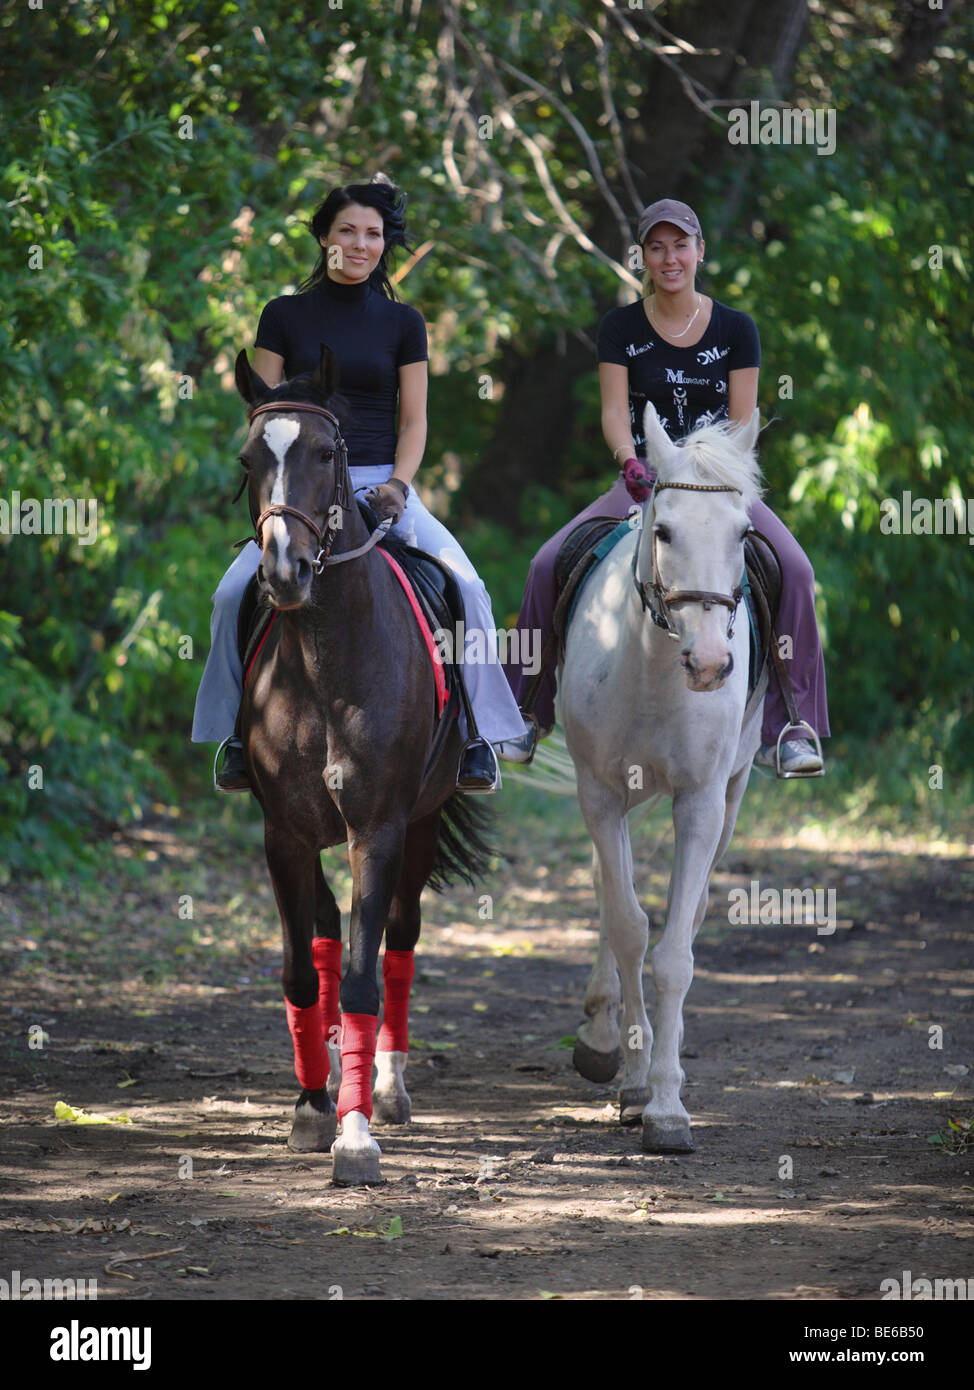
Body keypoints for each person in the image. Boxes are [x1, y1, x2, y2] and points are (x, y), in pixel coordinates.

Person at [192, 176, 525, 791]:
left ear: (383, 244)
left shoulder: (403, 322)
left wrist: (400, 482)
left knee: (468, 585)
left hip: (379, 481)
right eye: (347, 230)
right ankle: (236, 737)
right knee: (228, 595)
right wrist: (281, 488)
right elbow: (261, 412)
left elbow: (416, 418)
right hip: (301, 484)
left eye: (373, 234)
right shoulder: (283, 315)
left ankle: (479, 735)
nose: (360, 243)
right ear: (324, 237)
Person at [501, 197, 829, 775]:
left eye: (680, 245)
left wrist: (711, 474)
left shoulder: (736, 329)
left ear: (700, 251)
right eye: (657, 247)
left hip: (716, 487)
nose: (669, 257)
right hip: (643, 481)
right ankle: (525, 711)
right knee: (546, 562)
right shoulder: (620, 327)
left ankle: (791, 727)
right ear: (643, 257)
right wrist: (629, 458)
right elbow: (612, 412)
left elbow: (741, 423)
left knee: (796, 571)